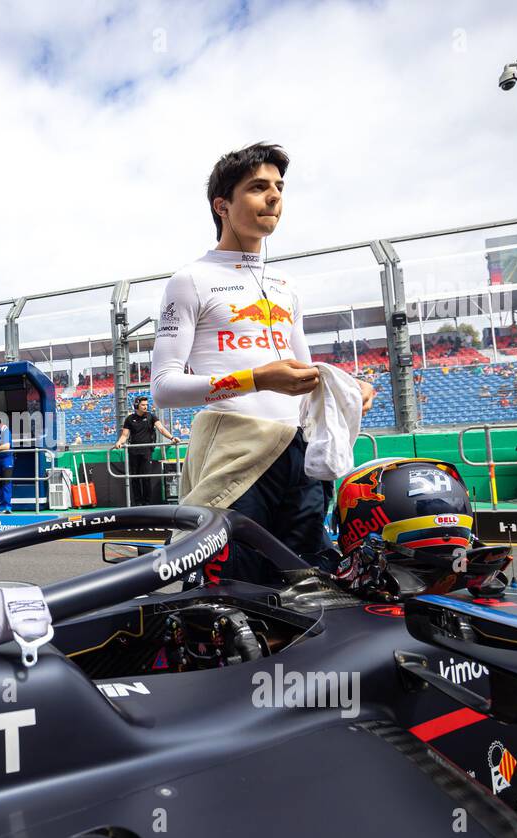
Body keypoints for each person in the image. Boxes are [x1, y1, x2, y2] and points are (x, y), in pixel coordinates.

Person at [150, 142, 374, 582]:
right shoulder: (190, 278)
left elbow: (304, 375)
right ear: (223, 205)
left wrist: (345, 389)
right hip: (235, 448)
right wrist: (255, 379)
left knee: (307, 583)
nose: (273, 197)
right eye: (257, 187)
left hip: (299, 452)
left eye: (278, 187)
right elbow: (163, 387)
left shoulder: (286, 284)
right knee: (238, 588)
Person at [114, 396, 180, 506]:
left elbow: (161, 429)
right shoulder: (129, 419)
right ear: (137, 406)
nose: (145, 407)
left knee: (146, 477)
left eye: (146, 404)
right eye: (143, 405)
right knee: (134, 478)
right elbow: (125, 435)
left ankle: (147, 503)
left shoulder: (151, 417)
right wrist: (119, 442)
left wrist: (172, 438)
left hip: (146, 452)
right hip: (133, 452)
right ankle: (137, 503)